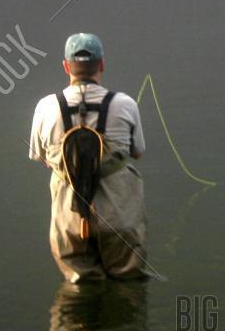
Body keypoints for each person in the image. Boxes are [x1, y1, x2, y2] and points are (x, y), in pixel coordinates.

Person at [28, 32, 150, 282]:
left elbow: (40, 157)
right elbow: (137, 153)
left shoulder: (45, 106)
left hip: (68, 217)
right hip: (119, 214)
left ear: (65, 66)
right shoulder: (125, 104)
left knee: (79, 289)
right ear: (102, 64)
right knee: (127, 286)